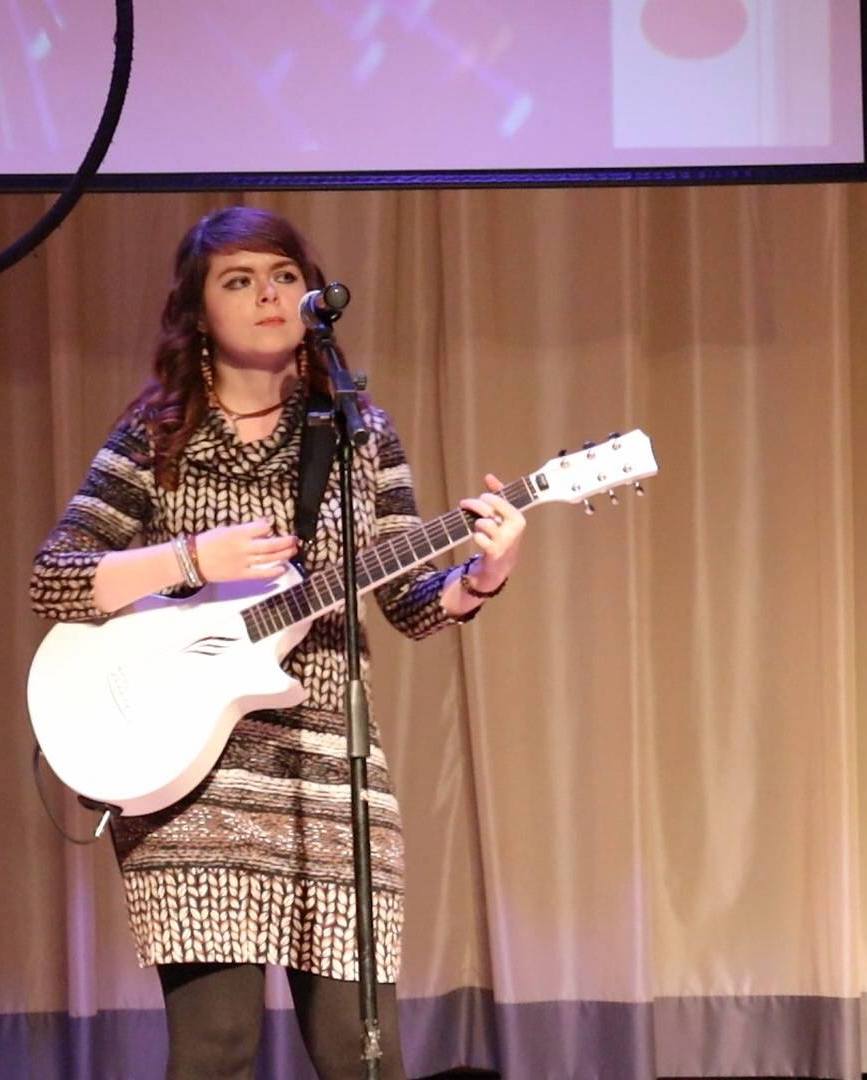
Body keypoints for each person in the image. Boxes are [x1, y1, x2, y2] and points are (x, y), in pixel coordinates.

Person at [29, 206, 526, 1080]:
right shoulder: (153, 438)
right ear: (196, 312)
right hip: (191, 776)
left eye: (285, 277)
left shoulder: (360, 433)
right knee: (217, 1045)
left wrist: (481, 575)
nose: (268, 295)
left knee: (359, 1052)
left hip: (329, 768)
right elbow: (57, 577)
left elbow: (409, 603)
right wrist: (192, 558)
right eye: (239, 280)